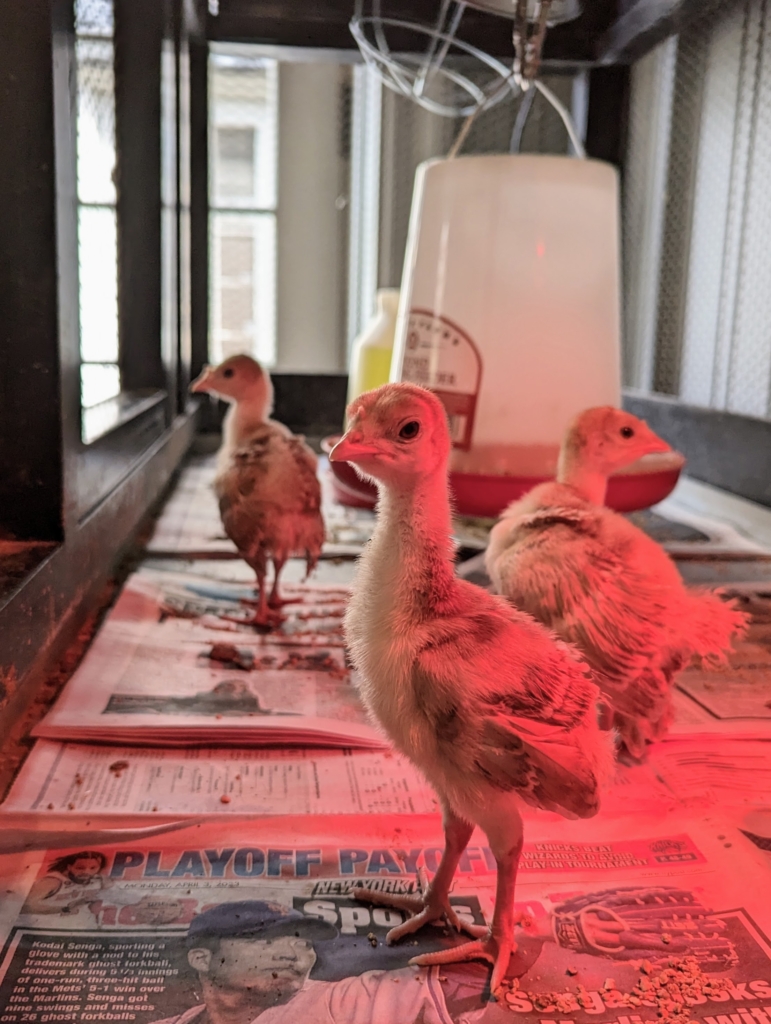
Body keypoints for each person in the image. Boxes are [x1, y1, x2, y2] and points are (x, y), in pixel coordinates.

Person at [151, 900, 474, 1024]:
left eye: (303, 942)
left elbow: (454, 985)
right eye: (263, 940)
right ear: (201, 959)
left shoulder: (345, 1001)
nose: (292, 953)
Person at [21, 851, 111, 917]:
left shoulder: (99, 880)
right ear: (69, 867)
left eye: (93, 868)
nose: (86, 872)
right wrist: (64, 909)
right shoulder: (53, 882)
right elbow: (26, 906)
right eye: (80, 868)